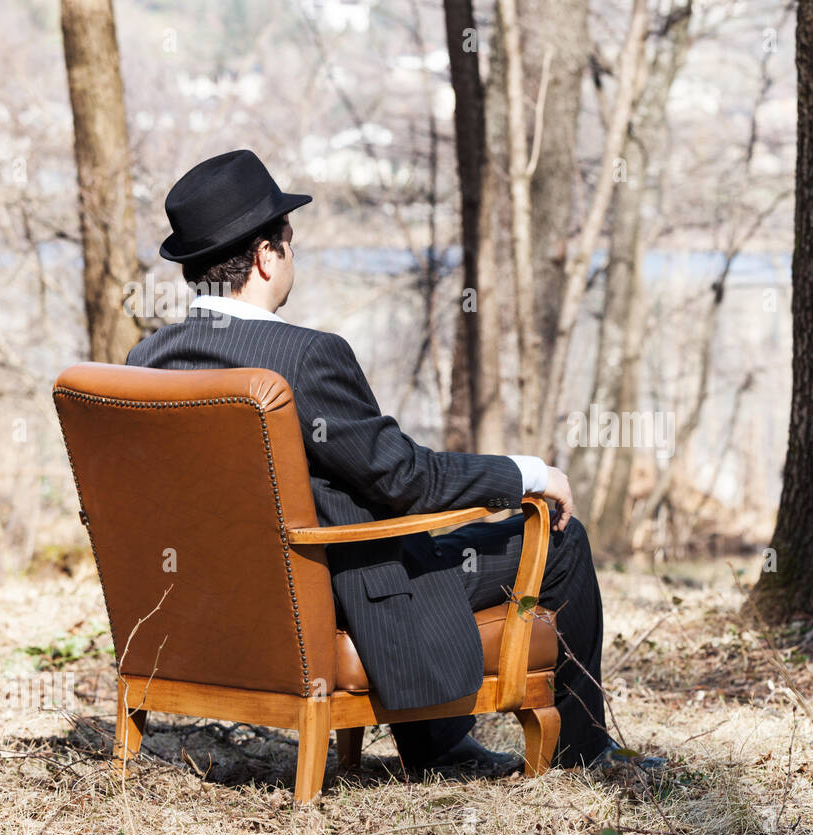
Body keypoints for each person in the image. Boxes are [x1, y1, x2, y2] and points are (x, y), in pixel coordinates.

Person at [127, 149, 653, 776]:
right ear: (267, 255)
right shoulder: (303, 358)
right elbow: (407, 480)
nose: (293, 256)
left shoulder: (146, 361)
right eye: (290, 243)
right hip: (329, 596)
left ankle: (442, 747)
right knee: (561, 542)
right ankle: (584, 752)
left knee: (397, 543)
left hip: (215, 602)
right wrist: (530, 474)